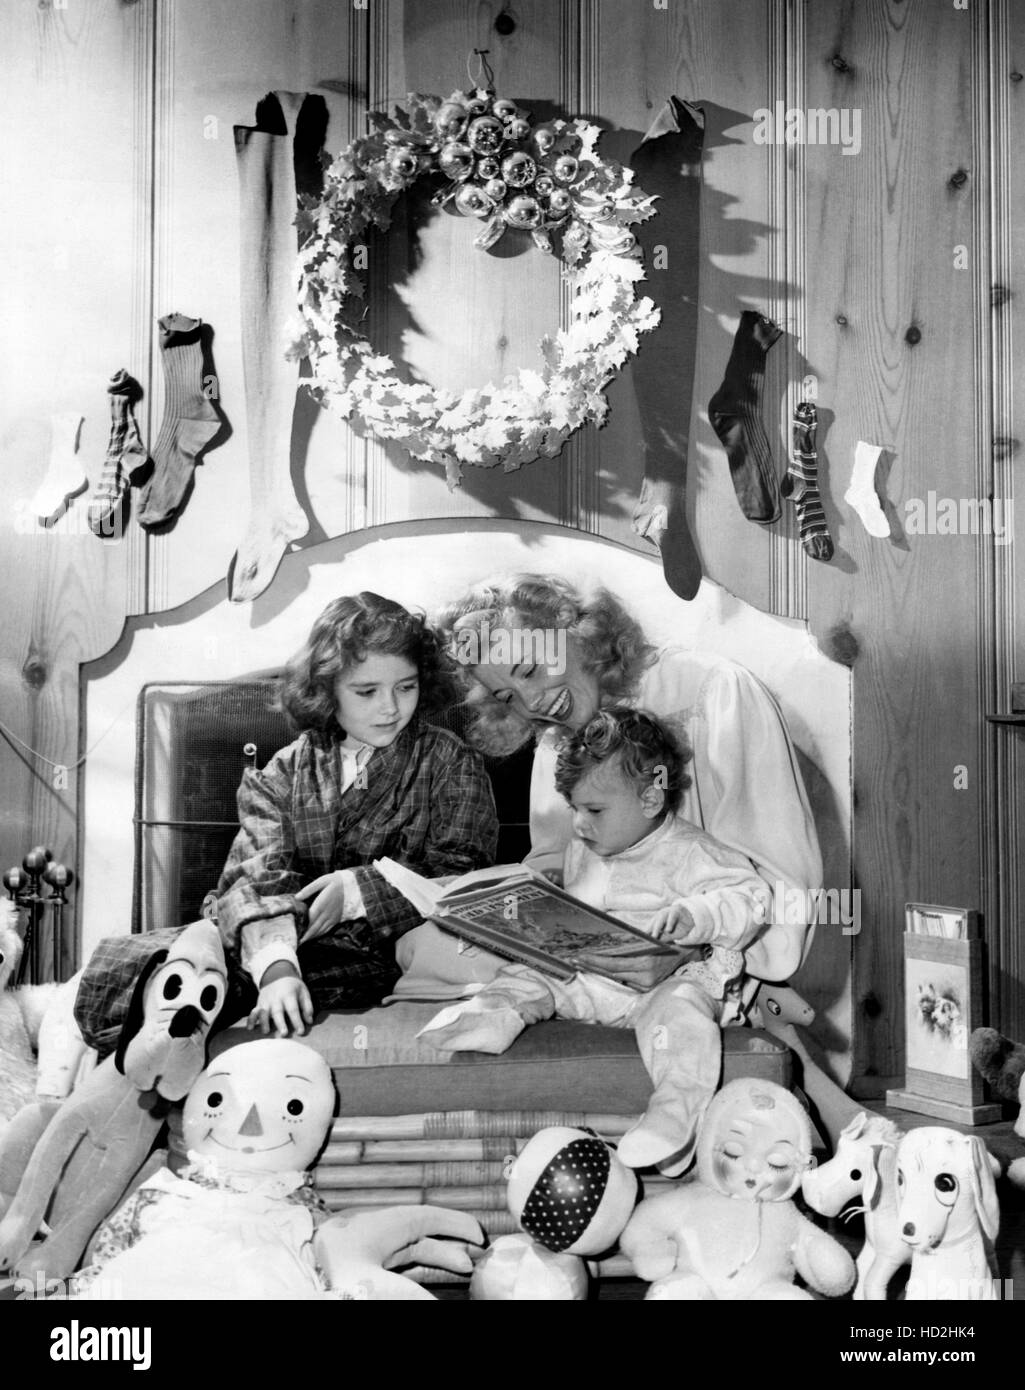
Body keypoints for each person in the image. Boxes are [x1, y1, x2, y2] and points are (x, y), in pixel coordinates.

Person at [75, 592, 499, 1052]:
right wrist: (278, 968)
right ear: (327, 687)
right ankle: (216, 965)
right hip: (272, 938)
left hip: (370, 952)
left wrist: (357, 892)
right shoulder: (283, 770)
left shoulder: (450, 760)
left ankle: (204, 982)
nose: (390, 708)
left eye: (406, 687)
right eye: (366, 691)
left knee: (191, 987)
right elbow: (257, 872)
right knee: (126, 967)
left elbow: (464, 874)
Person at [421, 708, 773, 1173]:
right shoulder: (584, 848)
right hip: (592, 980)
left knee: (683, 1020)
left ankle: (673, 1118)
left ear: (650, 799)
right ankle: (493, 1014)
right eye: (574, 809)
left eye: (595, 811)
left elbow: (753, 897)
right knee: (527, 975)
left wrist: (699, 915)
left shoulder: (691, 851)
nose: (581, 824)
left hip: (662, 990)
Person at [437, 572, 821, 984]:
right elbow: (555, 863)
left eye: (530, 669)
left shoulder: (716, 692)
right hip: (600, 982)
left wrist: (684, 950)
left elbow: (783, 893)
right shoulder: (556, 737)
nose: (532, 703)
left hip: (713, 988)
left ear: (572, 625)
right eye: (507, 696)